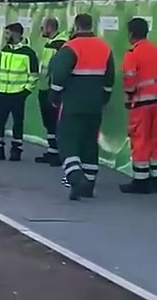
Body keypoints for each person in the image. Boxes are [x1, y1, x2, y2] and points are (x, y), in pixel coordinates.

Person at [48, 13, 115, 201]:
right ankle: (89, 184)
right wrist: (104, 98)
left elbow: (58, 76)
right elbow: (109, 79)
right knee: (89, 143)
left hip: (72, 104)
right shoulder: (104, 48)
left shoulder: (70, 48)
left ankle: (76, 179)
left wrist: (54, 97)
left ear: (76, 27)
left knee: (68, 142)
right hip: (95, 106)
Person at [119, 17, 157, 194]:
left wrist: (129, 96)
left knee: (140, 141)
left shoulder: (132, 55)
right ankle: (156, 180)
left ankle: (140, 182)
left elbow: (129, 81)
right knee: (154, 140)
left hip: (140, 105)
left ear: (131, 34)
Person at [0, 22, 39, 162]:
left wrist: (26, 91)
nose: (5, 36)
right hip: (1, 91)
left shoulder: (29, 53)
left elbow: (34, 74)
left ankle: (16, 150)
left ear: (16, 34)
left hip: (18, 93)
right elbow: (1, 71)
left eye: (7, 33)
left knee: (17, 122)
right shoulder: (4, 50)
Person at [35, 18, 70, 166]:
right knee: (49, 123)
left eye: (42, 27)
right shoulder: (52, 43)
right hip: (46, 88)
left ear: (49, 27)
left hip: (53, 89)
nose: (41, 30)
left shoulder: (59, 44)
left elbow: (56, 69)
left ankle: (58, 153)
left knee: (55, 122)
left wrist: (55, 90)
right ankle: (52, 151)